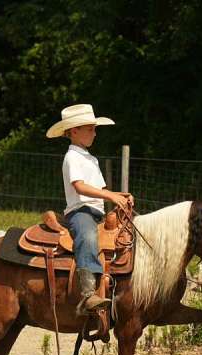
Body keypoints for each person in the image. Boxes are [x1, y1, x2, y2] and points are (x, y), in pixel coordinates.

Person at [46, 104, 134, 315]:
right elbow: (80, 187)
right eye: (90, 129)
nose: (94, 133)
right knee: (87, 236)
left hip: (98, 212)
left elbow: (100, 189)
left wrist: (120, 196)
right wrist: (110, 196)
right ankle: (87, 293)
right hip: (80, 212)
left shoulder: (90, 158)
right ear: (74, 131)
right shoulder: (72, 158)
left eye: (95, 129)